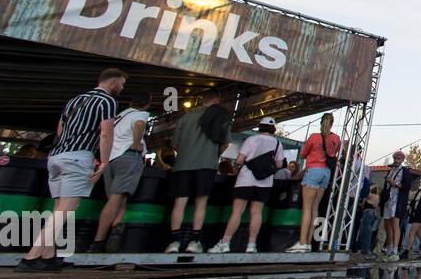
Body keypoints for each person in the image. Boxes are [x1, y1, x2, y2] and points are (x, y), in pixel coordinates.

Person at [18, 68, 126, 271]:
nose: (122, 87)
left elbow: (60, 130)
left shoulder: (74, 100)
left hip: (57, 156)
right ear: (112, 82)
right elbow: (106, 133)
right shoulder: (107, 102)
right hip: (78, 157)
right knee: (64, 210)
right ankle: (31, 257)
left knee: (58, 209)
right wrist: (103, 161)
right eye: (121, 83)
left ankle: (48, 256)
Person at [166, 88, 230, 255]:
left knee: (180, 203)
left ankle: (174, 241)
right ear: (216, 100)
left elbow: (175, 144)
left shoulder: (186, 117)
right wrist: (213, 155)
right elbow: (225, 143)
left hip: (183, 165)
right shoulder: (220, 117)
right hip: (206, 166)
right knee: (201, 203)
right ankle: (194, 241)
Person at [210, 116, 286, 253]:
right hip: (265, 182)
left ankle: (225, 243)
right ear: (273, 129)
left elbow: (239, 160)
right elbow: (279, 164)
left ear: (260, 127)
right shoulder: (277, 143)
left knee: (237, 212)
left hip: (246, 179)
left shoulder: (251, 140)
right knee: (257, 213)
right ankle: (251, 245)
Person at [91, 91, 152, 253]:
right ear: (147, 103)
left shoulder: (120, 115)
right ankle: (99, 240)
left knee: (118, 199)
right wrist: (137, 143)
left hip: (110, 158)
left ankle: (115, 230)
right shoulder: (142, 114)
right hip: (128, 157)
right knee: (116, 199)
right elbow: (139, 125)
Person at [289, 113, 341, 253]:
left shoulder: (314, 137)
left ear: (321, 122)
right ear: (332, 123)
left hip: (313, 171)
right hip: (326, 173)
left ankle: (302, 242)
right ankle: (309, 242)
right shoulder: (336, 138)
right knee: (315, 209)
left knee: (307, 208)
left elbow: (303, 154)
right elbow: (335, 153)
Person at [382, 151, 406, 257]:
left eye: (398, 159)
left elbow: (407, 186)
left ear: (402, 160)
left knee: (395, 224)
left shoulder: (405, 171)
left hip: (397, 201)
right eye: (395, 158)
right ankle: (389, 246)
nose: (396, 160)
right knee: (387, 224)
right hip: (388, 200)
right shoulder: (391, 170)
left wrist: (395, 184)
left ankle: (395, 249)